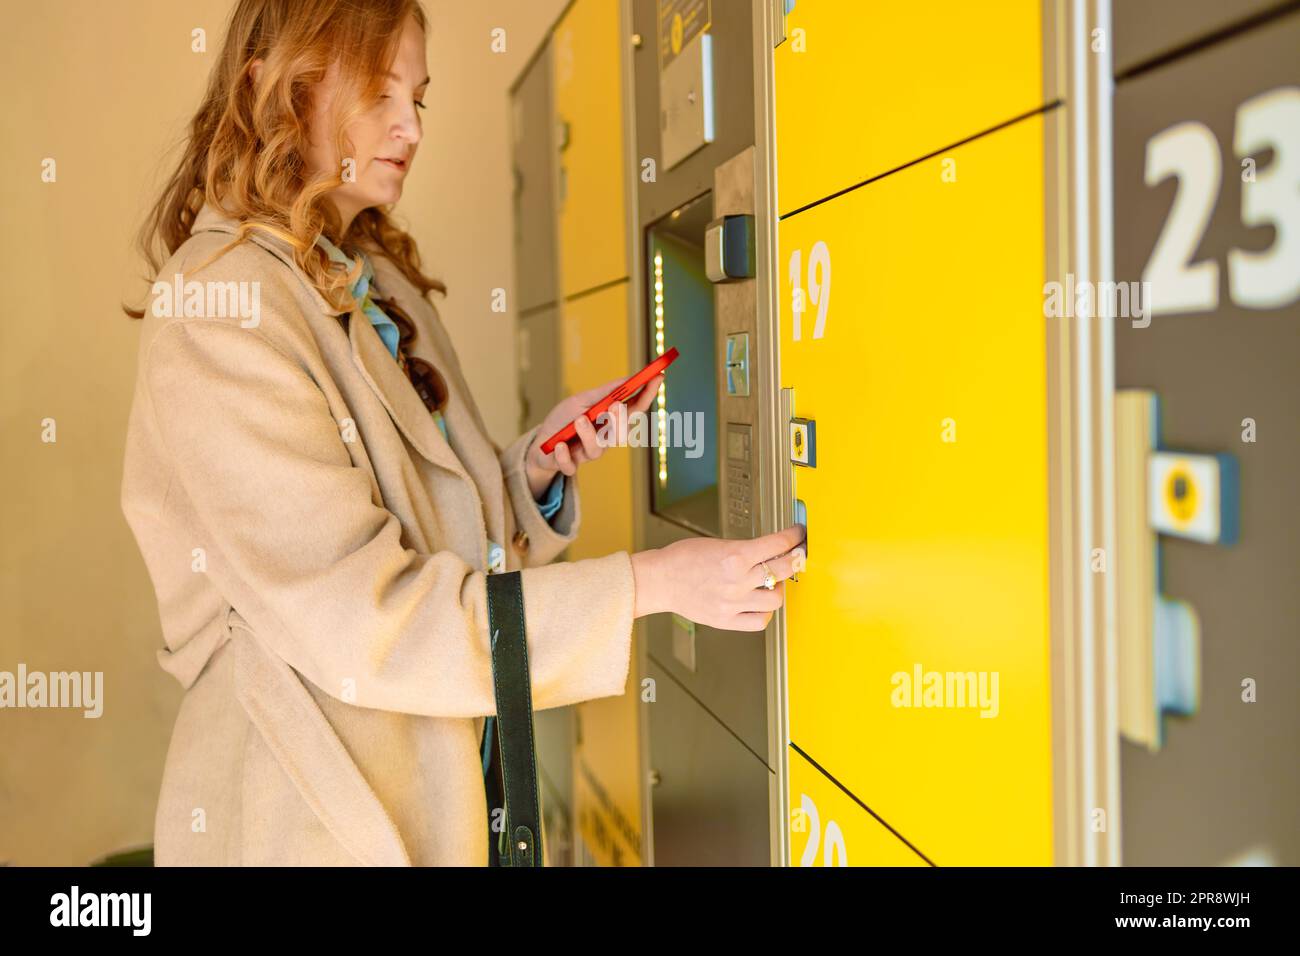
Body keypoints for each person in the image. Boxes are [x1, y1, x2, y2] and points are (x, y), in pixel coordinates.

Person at [120, 0, 805, 866]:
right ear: (272, 89)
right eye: (379, 90)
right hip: (307, 825)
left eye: (421, 97)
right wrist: (644, 586)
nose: (410, 125)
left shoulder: (371, 280)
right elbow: (373, 620)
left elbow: (434, 529)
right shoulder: (219, 312)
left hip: (436, 788)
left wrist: (531, 472)